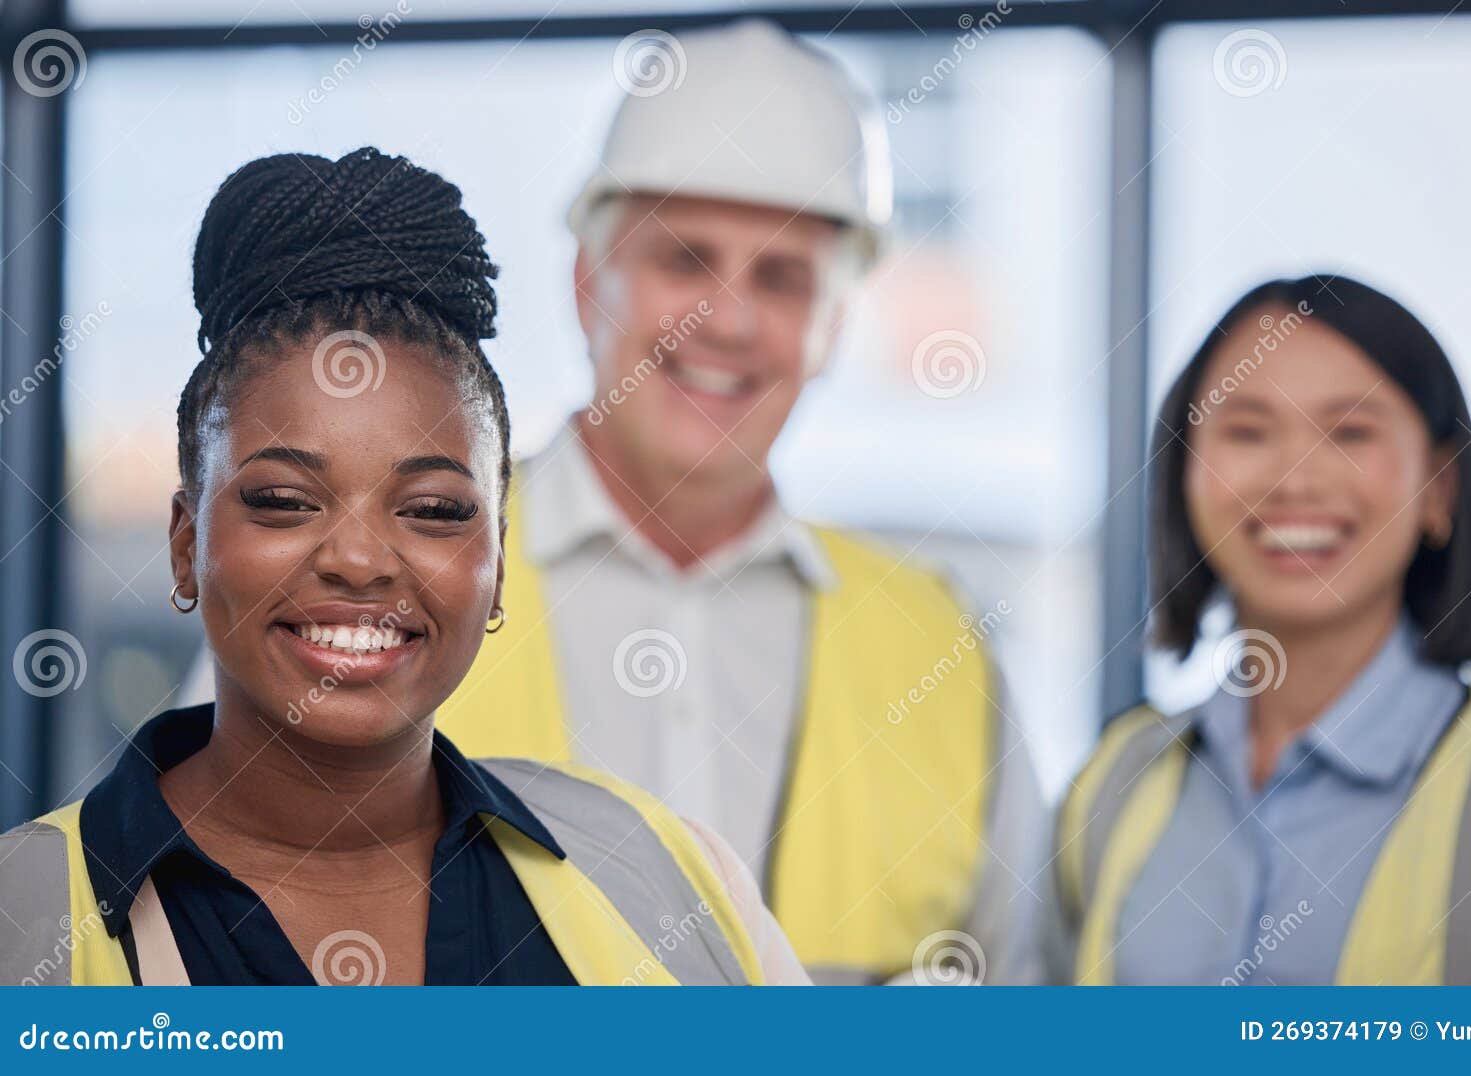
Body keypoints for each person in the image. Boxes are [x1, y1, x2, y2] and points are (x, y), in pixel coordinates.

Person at [0, 147, 805, 986]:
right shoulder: (23, 917)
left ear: (496, 560)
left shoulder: (661, 876)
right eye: (283, 500)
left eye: (432, 511)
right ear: (184, 543)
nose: (358, 559)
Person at [430, 19, 1048, 985]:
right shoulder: (391, 568)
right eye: (686, 259)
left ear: (834, 326)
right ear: (591, 281)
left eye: (783, 277)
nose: (730, 320)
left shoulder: (942, 648)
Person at [1048, 274, 1471, 986]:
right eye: (1246, 431)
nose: (1295, 479)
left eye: (1350, 432)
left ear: (1440, 488)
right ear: (1185, 478)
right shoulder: (1113, 785)